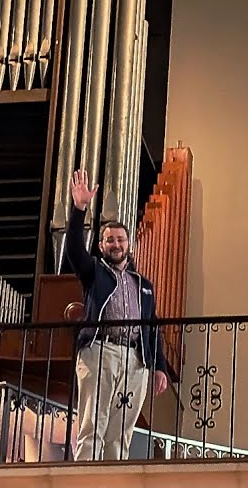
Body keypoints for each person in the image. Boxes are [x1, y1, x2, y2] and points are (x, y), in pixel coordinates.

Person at [64, 168, 170, 461]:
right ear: (101, 246)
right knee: (92, 424)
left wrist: (159, 366)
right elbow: (73, 249)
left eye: (121, 239)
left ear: (129, 245)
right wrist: (79, 209)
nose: (116, 244)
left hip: (135, 360)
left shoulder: (143, 285)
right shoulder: (94, 272)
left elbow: (153, 327)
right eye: (110, 240)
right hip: (101, 351)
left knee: (121, 431)